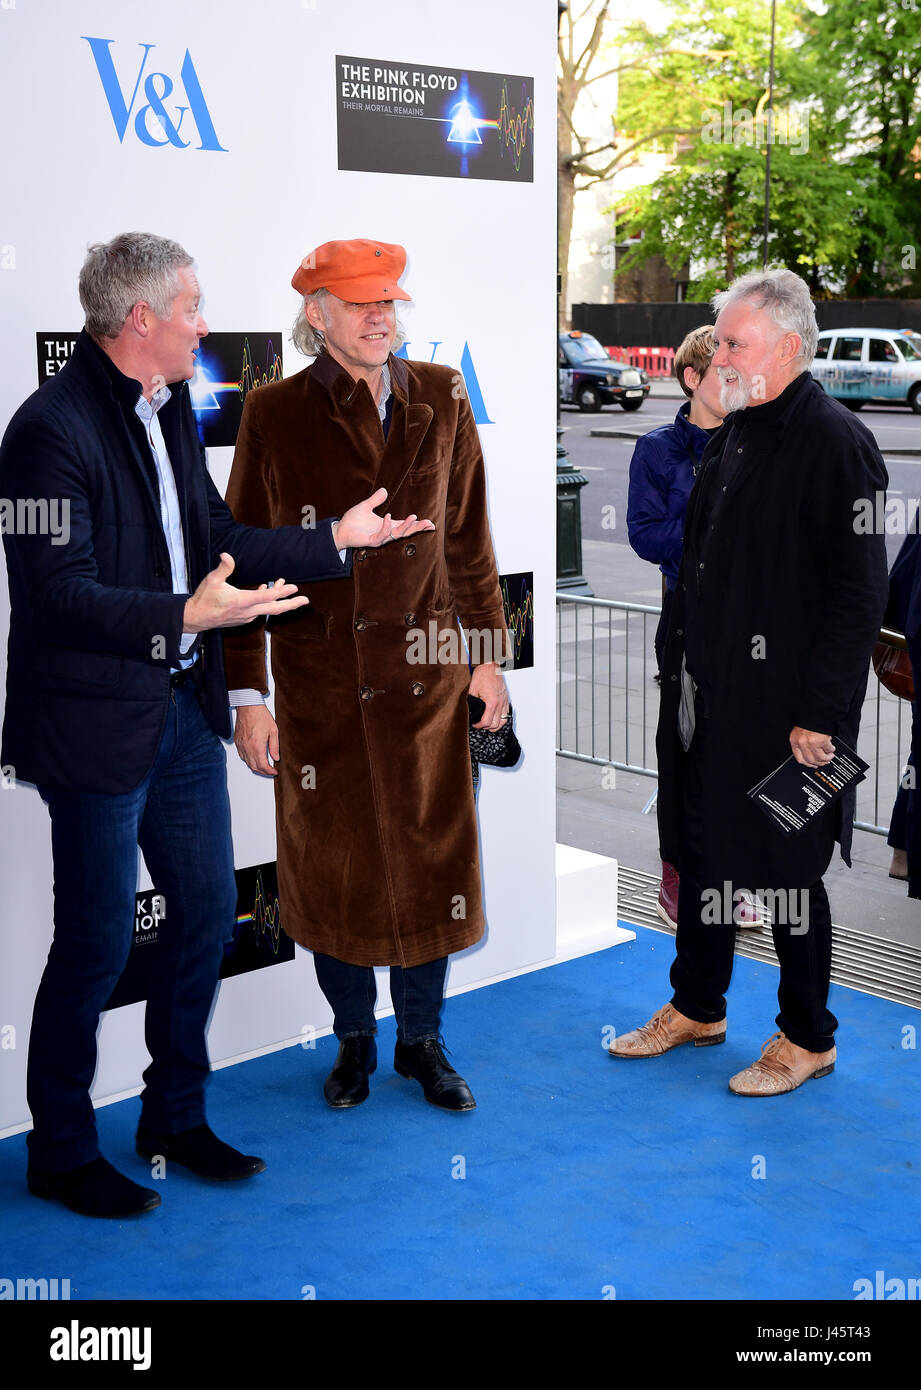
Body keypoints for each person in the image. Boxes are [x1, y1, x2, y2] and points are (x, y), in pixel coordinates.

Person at [0, 232, 432, 1218]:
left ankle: (174, 1115)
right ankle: (60, 1147)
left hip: (184, 724)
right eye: (191, 306)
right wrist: (184, 616)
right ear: (139, 318)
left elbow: (221, 540)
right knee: (96, 944)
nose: (206, 323)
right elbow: (54, 593)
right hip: (95, 731)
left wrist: (333, 539)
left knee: (204, 917)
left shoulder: (171, 416)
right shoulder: (45, 430)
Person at [226, 239, 509, 1114]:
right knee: (337, 867)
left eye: (388, 300)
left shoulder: (441, 392)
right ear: (317, 315)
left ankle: (421, 1041)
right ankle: (352, 1042)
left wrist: (488, 656)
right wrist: (248, 696)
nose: (381, 315)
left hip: (426, 682)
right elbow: (238, 560)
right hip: (321, 688)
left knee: (431, 861)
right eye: (358, 303)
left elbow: (467, 536)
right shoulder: (272, 412)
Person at [609, 268, 889, 1095]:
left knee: (785, 872)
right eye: (718, 340)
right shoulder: (734, 430)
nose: (716, 356)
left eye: (734, 342)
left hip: (789, 714)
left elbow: (856, 595)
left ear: (788, 348)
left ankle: (807, 1037)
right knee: (702, 852)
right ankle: (697, 1005)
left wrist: (821, 716)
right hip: (706, 697)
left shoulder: (836, 442)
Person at [626, 326, 724, 930]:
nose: (736, 382)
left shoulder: (754, 442)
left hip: (747, 628)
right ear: (691, 378)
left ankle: (725, 875)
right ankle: (676, 873)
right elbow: (643, 534)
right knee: (681, 749)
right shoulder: (657, 448)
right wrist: (707, 529)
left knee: (733, 754)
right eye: (722, 370)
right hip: (685, 624)